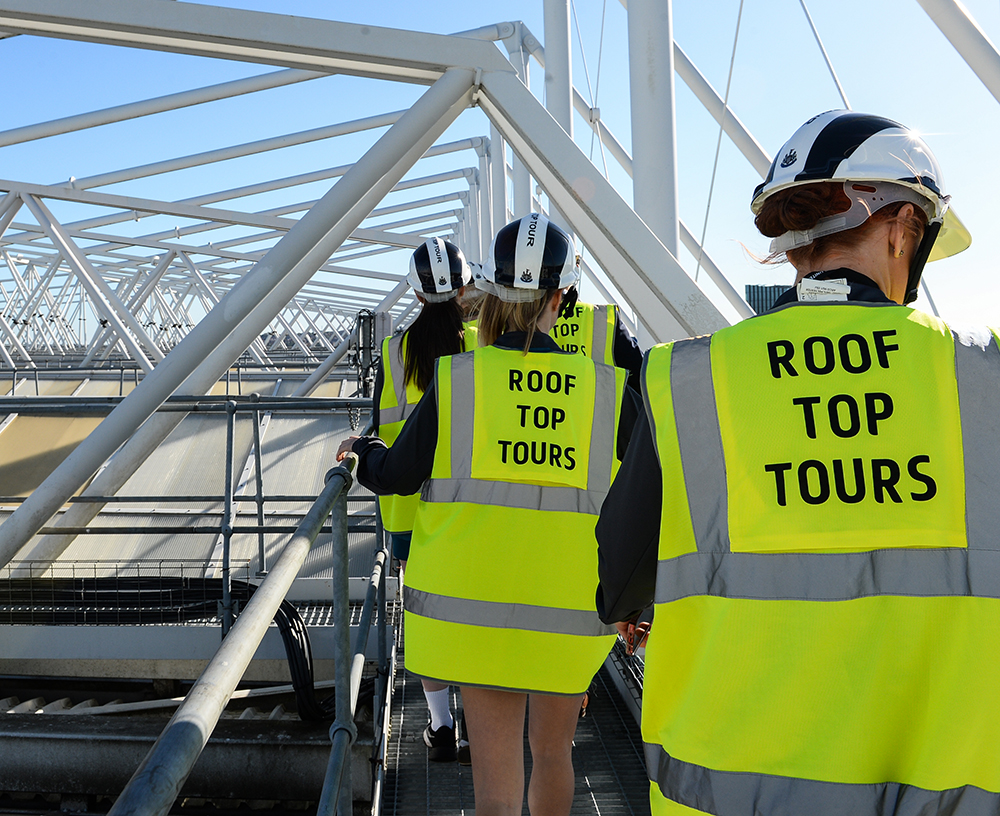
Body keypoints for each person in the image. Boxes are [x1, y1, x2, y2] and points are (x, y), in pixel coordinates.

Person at [596, 110, 988, 815]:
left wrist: (637, 604)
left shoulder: (689, 380)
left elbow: (619, 574)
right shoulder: (980, 375)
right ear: (904, 227)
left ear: (794, 241)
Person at [339, 212, 637, 816]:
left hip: (474, 608)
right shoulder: (608, 391)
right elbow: (645, 498)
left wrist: (362, 453)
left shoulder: (458, 381)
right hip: (571, 610)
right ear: (562, 299)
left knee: (494, 785)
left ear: (492, 292)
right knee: (555, 757)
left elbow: (395, 474)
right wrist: (637, 602)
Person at [375, 236, 474, 763]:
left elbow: (381, 427)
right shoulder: (483, 345)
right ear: (464, 287)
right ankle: (488, 716)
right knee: (475, 608)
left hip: (408, 510)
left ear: (414, 293)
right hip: (471, 503)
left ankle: (441, 727)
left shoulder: (395, 351)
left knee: (425, 615)